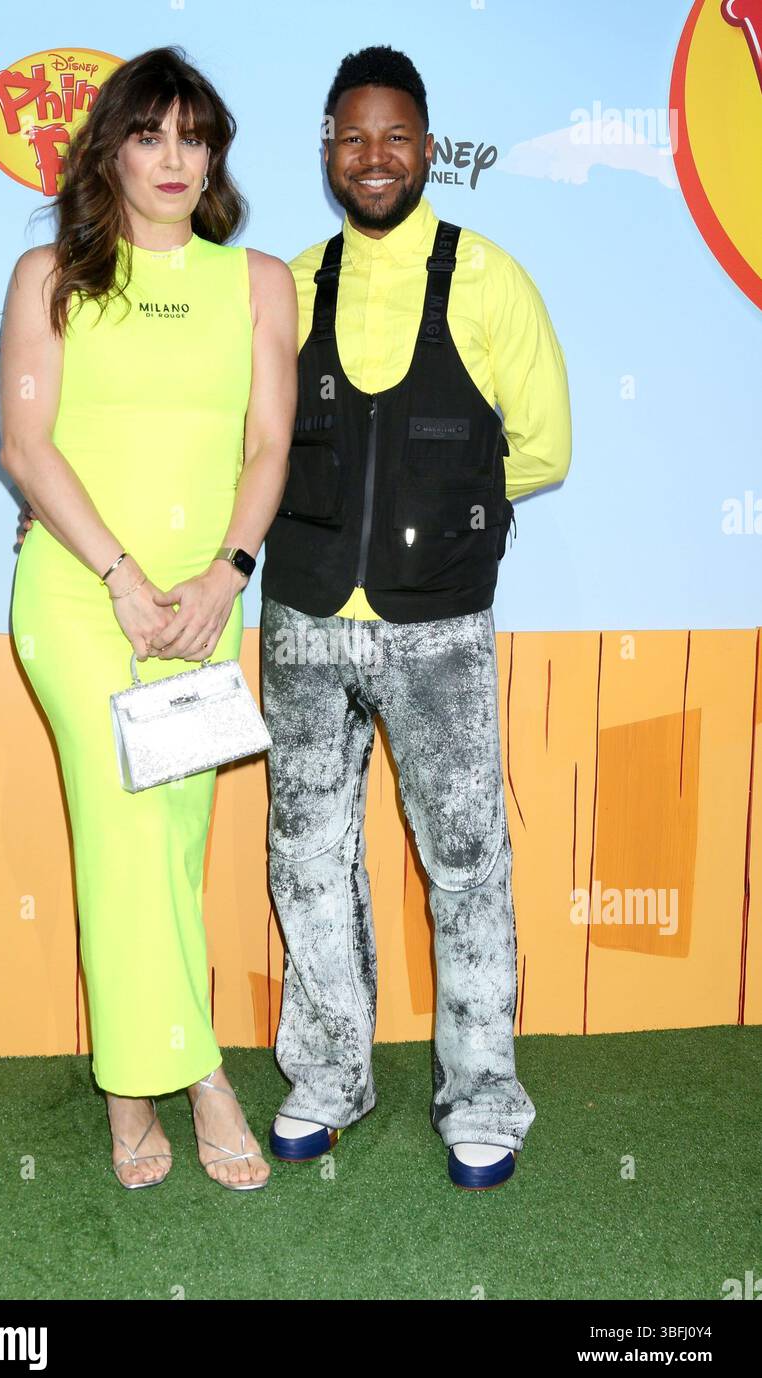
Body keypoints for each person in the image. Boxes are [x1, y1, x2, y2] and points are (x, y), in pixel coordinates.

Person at [260, 47, 571, 1189]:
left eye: (394, 136)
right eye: (351, 136)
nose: (373, 157)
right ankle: (330, 1074)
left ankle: (481, 1094)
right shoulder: (288, 284)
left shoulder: (489, 279)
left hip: (436, 625)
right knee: (303, 854)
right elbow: (255, 448)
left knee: (465, 860)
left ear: (428, 148)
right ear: (327, 148)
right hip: (297, 618)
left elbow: (540, 444)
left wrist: (440, 516)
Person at [1, 46, 297, 1191]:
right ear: (111, 149)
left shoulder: (257, 281)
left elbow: (268, 443)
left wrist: (227, 572)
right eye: (150, 134)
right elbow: (27, 446)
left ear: (213, 154)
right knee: (126, 826)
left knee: (170, 842)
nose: (175, 158)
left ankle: (134, 1078)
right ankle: (191, 1075)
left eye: (194, 136)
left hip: (204, 596)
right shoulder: (50, 276)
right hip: (82, 594)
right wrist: (122, 576)